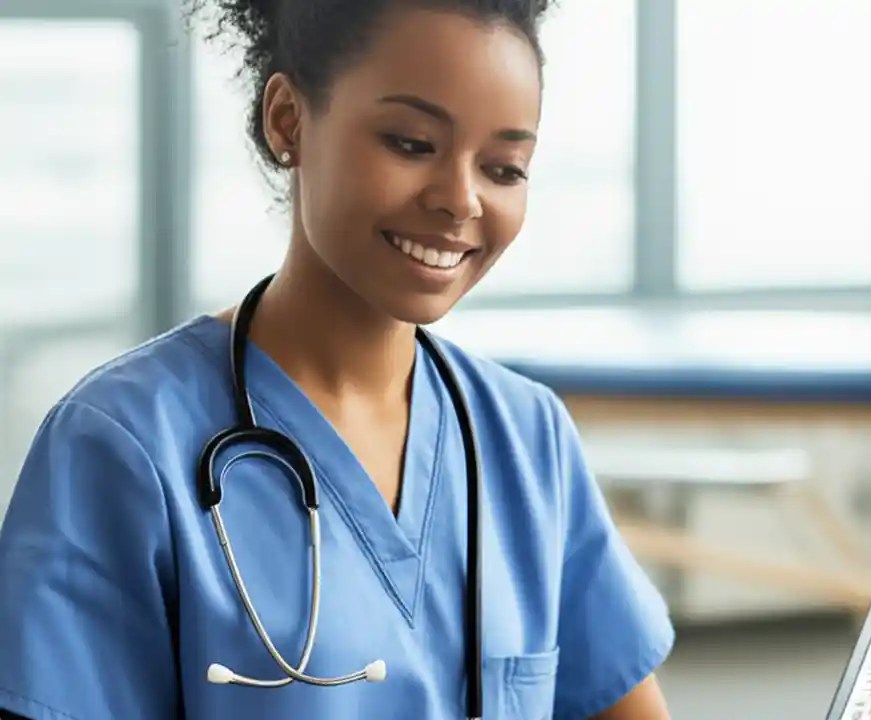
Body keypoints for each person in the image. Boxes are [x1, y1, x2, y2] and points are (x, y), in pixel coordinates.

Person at [0, 1, 675, 718]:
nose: (459, 200)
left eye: (504, 167)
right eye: (411, 143)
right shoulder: (124, 444)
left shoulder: (525, 438)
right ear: (289, 119)